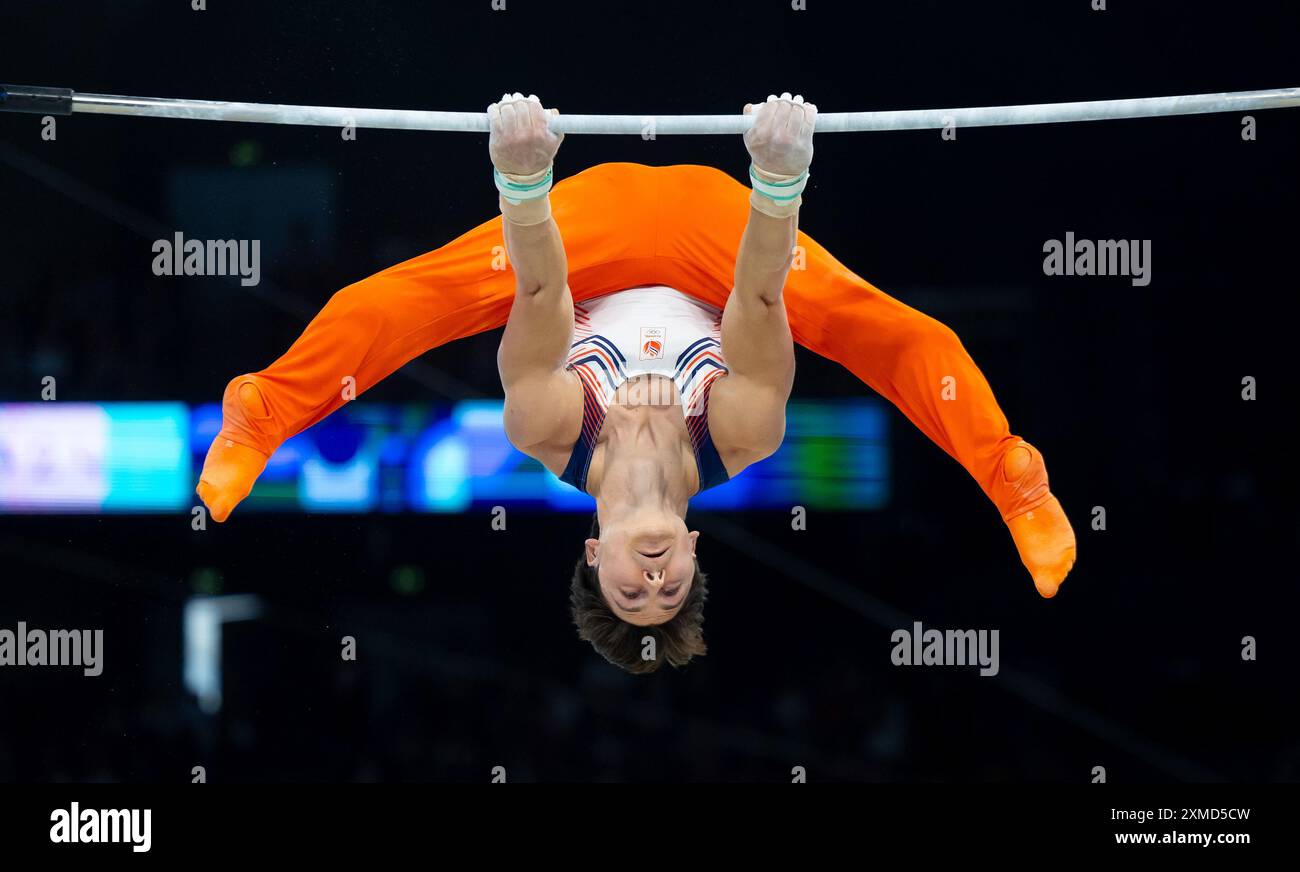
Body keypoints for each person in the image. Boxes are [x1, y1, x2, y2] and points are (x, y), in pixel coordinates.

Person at [197, 92, 1076, 673]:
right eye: (670, 590)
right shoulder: (742, 435)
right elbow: (759, 292)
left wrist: (521, 173)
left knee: (396, 300)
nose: (652, 580)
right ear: (696, 558)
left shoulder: (546, 429)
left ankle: (259, 415)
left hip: (587, 243)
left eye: (629, 590)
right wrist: (779, 179)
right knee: (897, 334)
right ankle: (1018, 485)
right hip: (719, 247)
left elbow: (542, 288)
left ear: (593, 556)